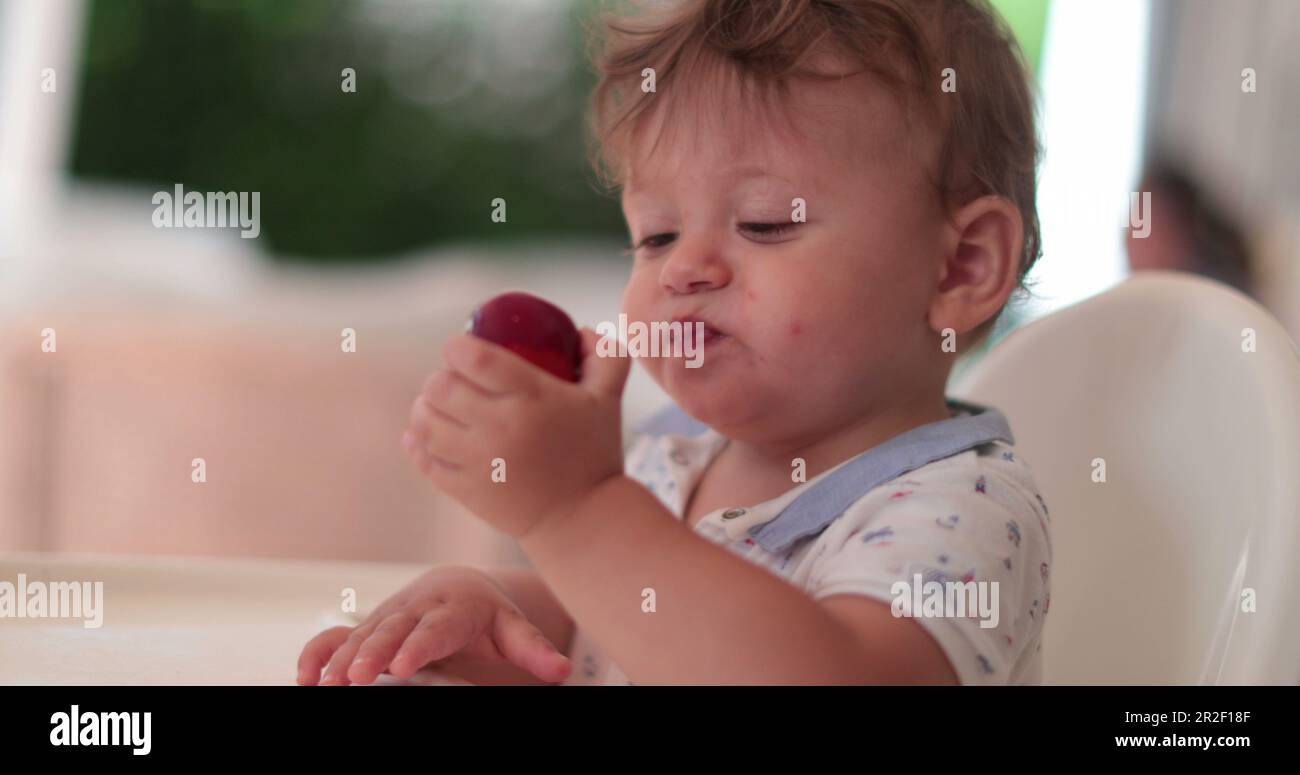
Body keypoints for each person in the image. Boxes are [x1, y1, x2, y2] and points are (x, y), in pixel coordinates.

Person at [299, 0, 1053, 686]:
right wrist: (501, 618)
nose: (685, 268)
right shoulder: (675, 453)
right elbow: (625, 627)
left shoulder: (963, 509)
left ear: (961, 265)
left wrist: (577, 511)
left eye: (765, 221)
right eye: (655, 235)